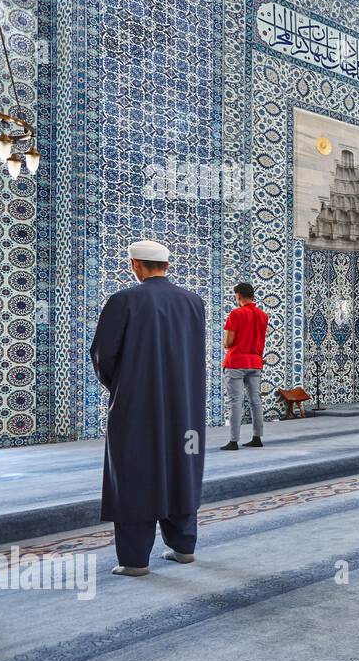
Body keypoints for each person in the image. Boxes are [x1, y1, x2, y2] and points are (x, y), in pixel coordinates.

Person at [88, 240, 206, 577]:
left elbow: (103, 355)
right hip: (186, 408)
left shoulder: (123, 300)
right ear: (166, 266)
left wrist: (124, 385)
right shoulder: (193, 302)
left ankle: (135, 559)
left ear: (136, 265)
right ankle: (184, 547)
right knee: (183, 467)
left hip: (136, 406)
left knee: (134, 472)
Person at [221, 282, 268, 451]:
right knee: (256, 401)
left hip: (236, 363)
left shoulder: (236, 313)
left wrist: (226, 344)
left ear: (238, 295)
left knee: (235, 401)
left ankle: (233, 441)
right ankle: (257, 438)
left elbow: (228, 342)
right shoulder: (263, 315)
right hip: (255, 363)